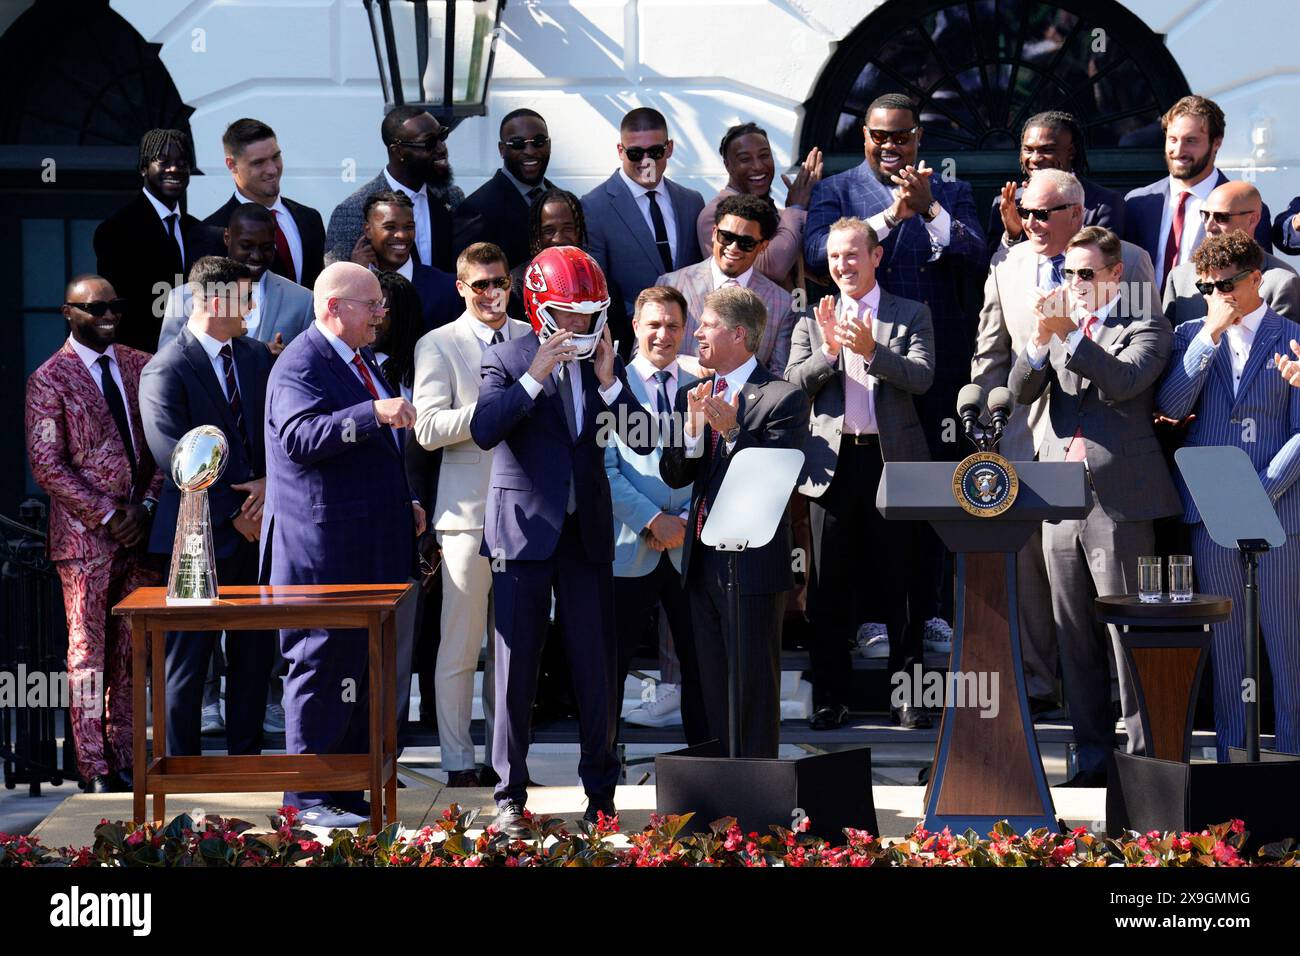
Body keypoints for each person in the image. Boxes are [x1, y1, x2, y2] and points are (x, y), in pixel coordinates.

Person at [469, 245, 656, 835]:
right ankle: (509, 796)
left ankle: (600, 794)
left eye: (589, 313)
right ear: (542, 309)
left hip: (587, 536)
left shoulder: (603, 359)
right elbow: (483, 428)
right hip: (520, 535)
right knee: (514, 668)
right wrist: (534, 378)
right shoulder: (506, 354)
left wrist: (607, 384)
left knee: (595, 668)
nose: (580, 325)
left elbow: (644, 437)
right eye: (570, 314)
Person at [804, 92, 988, 658]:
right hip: (859, 371)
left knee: (931, 493)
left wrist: (930, 209)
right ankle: (869, 618)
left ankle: (928, 609)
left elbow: (978, 254)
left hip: (931, 368)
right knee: (858, 502)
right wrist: (889, 218)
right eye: (880, 136)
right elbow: (815, 254)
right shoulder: (837, 190)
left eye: (902, 136)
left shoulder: (950, 191)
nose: (890, 146)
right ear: (864, 136)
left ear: (917, 138)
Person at [972, 169, 1155, 715]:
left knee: (1117, 610)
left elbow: (1131, 373)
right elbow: (993, 356)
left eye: (1043, 213)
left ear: (1077, 212)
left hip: (1113, 466)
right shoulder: (1008, 264)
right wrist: (993, 424)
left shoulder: (1133, 265)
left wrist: (1072, 333)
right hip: (1034, 450)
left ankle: (1134, 725)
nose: (1030, 223)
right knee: (1051, 602)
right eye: (1025, 212)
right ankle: (1051, 699)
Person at [1009, 225, 1180, 787]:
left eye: (1086, 273)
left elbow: (1123, 383)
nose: (1074, 283)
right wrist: (1040, 341)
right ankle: (1091, 758)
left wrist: (1070, 338)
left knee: (1126, 636)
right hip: (1060, 497)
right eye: (1068, 272)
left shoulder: (1147, 325)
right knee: (1072, 634)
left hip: (1121, 501)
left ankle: (1142, 764)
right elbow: (1021, 391)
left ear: (1113, 276)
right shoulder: (1059, 330)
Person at [262, 261, 424, 828]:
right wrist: (370, 411)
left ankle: (347, 791)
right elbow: (301, 438)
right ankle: (307, 800)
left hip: (367, 544)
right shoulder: (300, 361)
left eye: (382, 304)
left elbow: (371, 454)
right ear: (334, 307)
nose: (382, 313)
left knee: (359, 668)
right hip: (321, 550)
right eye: (372, 304)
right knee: (318, 665)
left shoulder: (360, 361)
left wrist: (403, 502)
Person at [1156, 231, 1300, 760]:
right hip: (1211, 506)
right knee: (1228, 648)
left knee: (1285, 647)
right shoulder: (1192, 333)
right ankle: (1233, 764)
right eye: (1206, 286)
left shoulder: (1292, 337)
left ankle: (1290, 764)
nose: (1217, 294)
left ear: (1257, 279)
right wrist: (1207, 339)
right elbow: (1170, 407)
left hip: (1280, 510)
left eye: (1227, 284)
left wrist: (1259, 493)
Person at [787, 218, 934, 730]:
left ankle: (910, 696)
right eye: (833, 258)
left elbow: (921, 378)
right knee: (829, 591)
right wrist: (829, 351)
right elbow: (792, 385)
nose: (842, 266)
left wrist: (872, 351)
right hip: (833, 464)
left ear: (876, 256)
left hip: (893, 461)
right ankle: (830, 696)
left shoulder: (909, 312)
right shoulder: (812, 319)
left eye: (852, 255)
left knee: (904, 588)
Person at [659, 286, 809, 757]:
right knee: (710, 683)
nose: (696, 332)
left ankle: (757, 795)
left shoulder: (783, 396)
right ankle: (718, 799)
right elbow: (674, 473)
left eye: (707, 324)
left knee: (753, 685)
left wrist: (732, 431)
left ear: (739, 334)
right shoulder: (692, 393)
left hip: (753, 565)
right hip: (701, 563)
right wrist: (692, 431)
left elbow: (777, 473)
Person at [26, 275, 162, 792]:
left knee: (131, 652)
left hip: (141, 532)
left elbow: (161, 445)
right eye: (95, 307)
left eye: (115, 305)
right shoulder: (50, 378)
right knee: (87, 654)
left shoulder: (139, 363)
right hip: (85, 541)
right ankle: (92, 765)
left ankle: (126, 756)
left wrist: (145, 505)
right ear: (68, 312)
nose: (108, 314)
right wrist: (110, 515)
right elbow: (47, 466)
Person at [138, 256, 274, 758]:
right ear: (216, 302)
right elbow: (175, 456)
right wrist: (233, 512)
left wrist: (267, 490)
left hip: (259, 530)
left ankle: (246, 763)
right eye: (246, 298)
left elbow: (279, 434)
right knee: (187, 659)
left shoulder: (258, 358)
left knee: (255, 655)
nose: (254, 307)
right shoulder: (166, 368)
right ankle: (180, 769)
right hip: (196, 537)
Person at [412, 242, 527, 787]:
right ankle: (458, 762)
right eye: (479, 284)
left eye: (498, 281)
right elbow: (427, 429)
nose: (491, 293)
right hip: (465, 515)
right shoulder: (437, 344)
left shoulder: (533, 338)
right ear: (461, 288)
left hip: (527, 513)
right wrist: (497, 408)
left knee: (512, 647)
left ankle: (507, 762)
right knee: (459, 647)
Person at [605, 285, 703, 743]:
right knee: (611, 667)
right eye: (654, 325)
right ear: (635, 328)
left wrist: (682, 520)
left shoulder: (701, 386)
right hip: (628, 550)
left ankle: (710, 771)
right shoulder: (609, 385)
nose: (663, 335)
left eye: (673, 326)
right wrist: (651, 519)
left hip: (689, 548)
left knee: (702, 665)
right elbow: (603, 472)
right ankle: (603, 780)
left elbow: (712, 466)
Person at [1124, 95, 1273, 291]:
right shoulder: (1137, 203)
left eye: (1191, 141)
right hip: (1144, 318)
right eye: (1173, 139)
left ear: (1217, 143)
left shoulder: (1246, 210)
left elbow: (1257, 285)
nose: (1178, 150)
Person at [93, 129, 216, 352]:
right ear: (143, 167)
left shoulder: (200, 230)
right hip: (141, 357)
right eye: (163, 160)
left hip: (197, 355)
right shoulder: (116, 230)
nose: (174, 169)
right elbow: (117, 306)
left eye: (182, 162)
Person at [582, 107, 705, 321]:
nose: (646, 161)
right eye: (636, 153)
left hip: (690, 333)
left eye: (655, 152)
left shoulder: (691, 202)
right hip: (632, 335)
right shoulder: (594, 207)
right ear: (621, 151)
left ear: (669, 148)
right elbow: (597, 288)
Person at [659, 193, 799, 376]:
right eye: (726, 237)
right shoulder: (672, 284)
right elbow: (644, 358)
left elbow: (780, 375)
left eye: (746, 243)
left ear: (763, 246)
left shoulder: (782, 304)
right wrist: (683, 364)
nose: (733, 247)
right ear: (714, 232)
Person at [158, 203, 314, 353]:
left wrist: (286, 361)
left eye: (266, 247)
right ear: (227, 238)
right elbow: (169, 360)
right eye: (246, 246)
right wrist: (260, 353)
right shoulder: (183, 297)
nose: (256, 256)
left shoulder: (303, 300)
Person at [324, 106, 456, 271]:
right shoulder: (351, 211)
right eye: (429, 143)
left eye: (442, 136)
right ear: (398, 151)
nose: (442, 148)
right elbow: (335, 284)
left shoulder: (452, 197)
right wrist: (357, 270)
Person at [695, 123, 822, 288]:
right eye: (745, 159)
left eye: (764, 156)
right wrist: (796, 208)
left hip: (795, 311)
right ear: (728, 165)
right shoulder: (715, 214)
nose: (758, 166)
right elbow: (772, 268)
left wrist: (811, 210)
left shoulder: (780, 214)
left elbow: (819, 270)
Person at [204, 118, 326, 288]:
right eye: (259, 162)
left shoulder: (310, 218)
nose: (272, 169)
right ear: (232, 165)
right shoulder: (212, 231)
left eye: (276, 157)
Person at [1163, 182, 1300, 326]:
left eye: (1221, 217)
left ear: (1252, 219)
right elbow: (1165, 339)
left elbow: (1282, 342)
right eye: (1205, 215)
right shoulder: (1180, 276)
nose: (1209, 226)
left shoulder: (1282, 282)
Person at [987, 111, 1125, 252]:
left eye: (1047, 150)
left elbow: (1105, 262)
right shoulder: (1008, 203)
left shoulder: (1104, 204)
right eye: (1028, 150)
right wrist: (1013, 234)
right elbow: (994, 268)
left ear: (1071, 151)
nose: (1034, 158)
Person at [454, 109, 557, 267]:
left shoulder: (562, 200)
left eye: (539, 142)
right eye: (517, 144)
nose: (530, 151)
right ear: (502, 149)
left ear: (548, 145)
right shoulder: (476, 210)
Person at [351, 190, 460, 331]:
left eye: (409, 227)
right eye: (390, 227)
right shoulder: (351, 286)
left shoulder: (447, 288)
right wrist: (356, 277)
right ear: (368, 230)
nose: (401, 235)